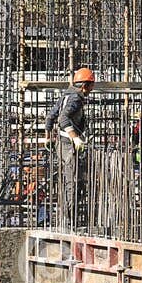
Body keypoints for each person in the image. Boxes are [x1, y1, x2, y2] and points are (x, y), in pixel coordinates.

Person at [45, 67, 94, 228]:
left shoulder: (66, 94)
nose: (91, 90)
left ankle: (68, 217)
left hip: (60, 142)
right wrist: (76, 139)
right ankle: (69, 220)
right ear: (84, 85)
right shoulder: (75, 99)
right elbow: (63, 119)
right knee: (72, 182)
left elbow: (51, 116)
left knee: (68, 181)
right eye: (91, 86)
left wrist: (48, 137)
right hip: (67, 145)